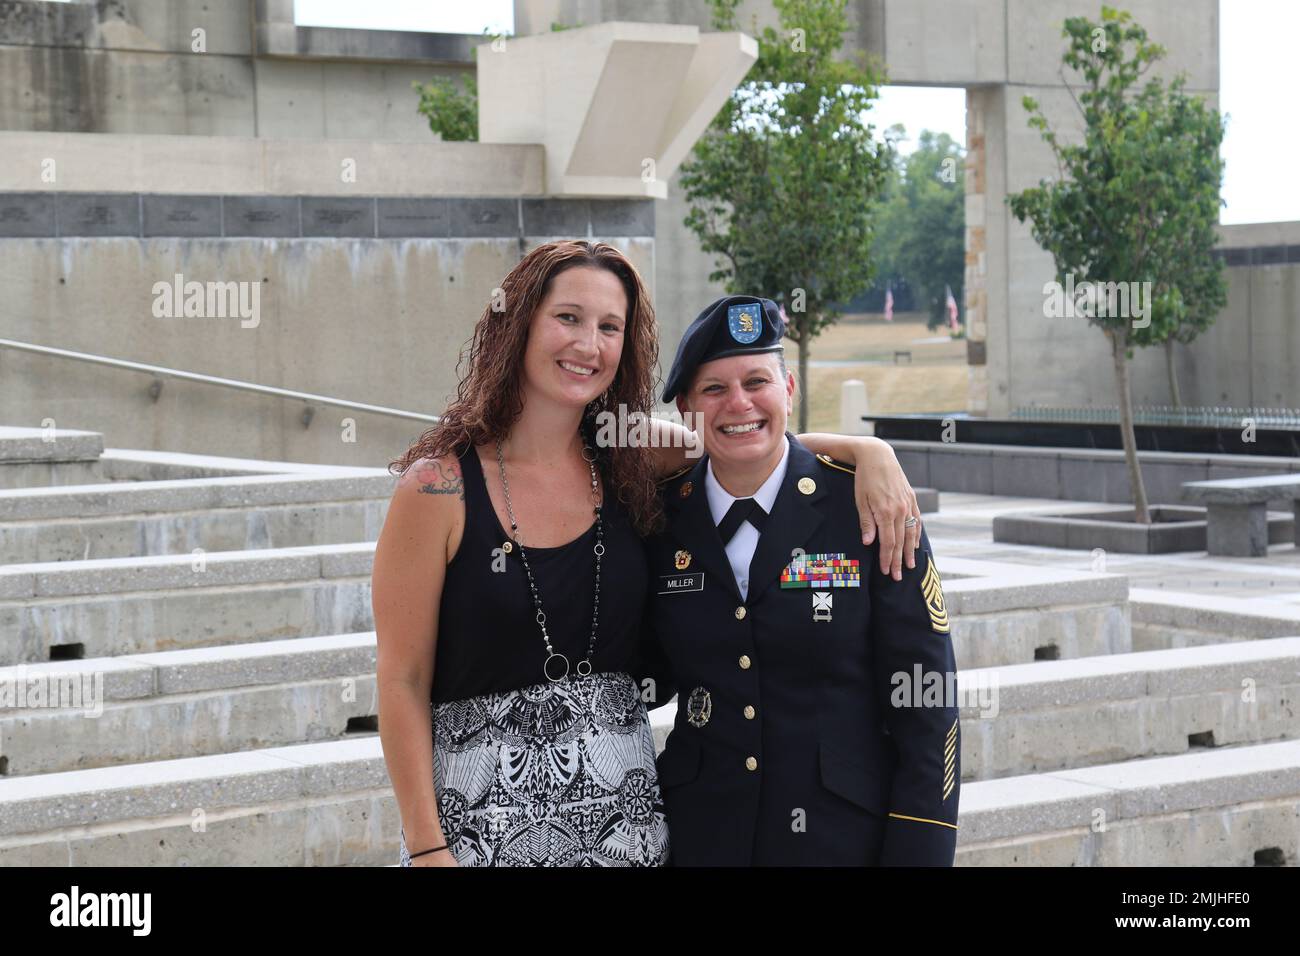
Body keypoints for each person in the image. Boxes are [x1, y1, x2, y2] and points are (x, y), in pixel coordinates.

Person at [373, 242, 928, 867]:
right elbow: (401, 680)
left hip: (625, 830)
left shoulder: (631, 459)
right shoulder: (437, 488)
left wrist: (866, 452)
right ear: (519, 322)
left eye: (610, 326)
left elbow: (744, 434)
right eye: (568, 318)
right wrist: (426, 846)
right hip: (477, 829)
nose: (589, 344)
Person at [639, 294, 961, 866]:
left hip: (840, 843)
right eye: (714, 389)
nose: (738, 403)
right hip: (702, 841)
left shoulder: (867, 506)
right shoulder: (659, 520)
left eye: (756, 381)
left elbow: (926, 704)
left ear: (789, 391)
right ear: (687, 409)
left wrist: (919, 853)